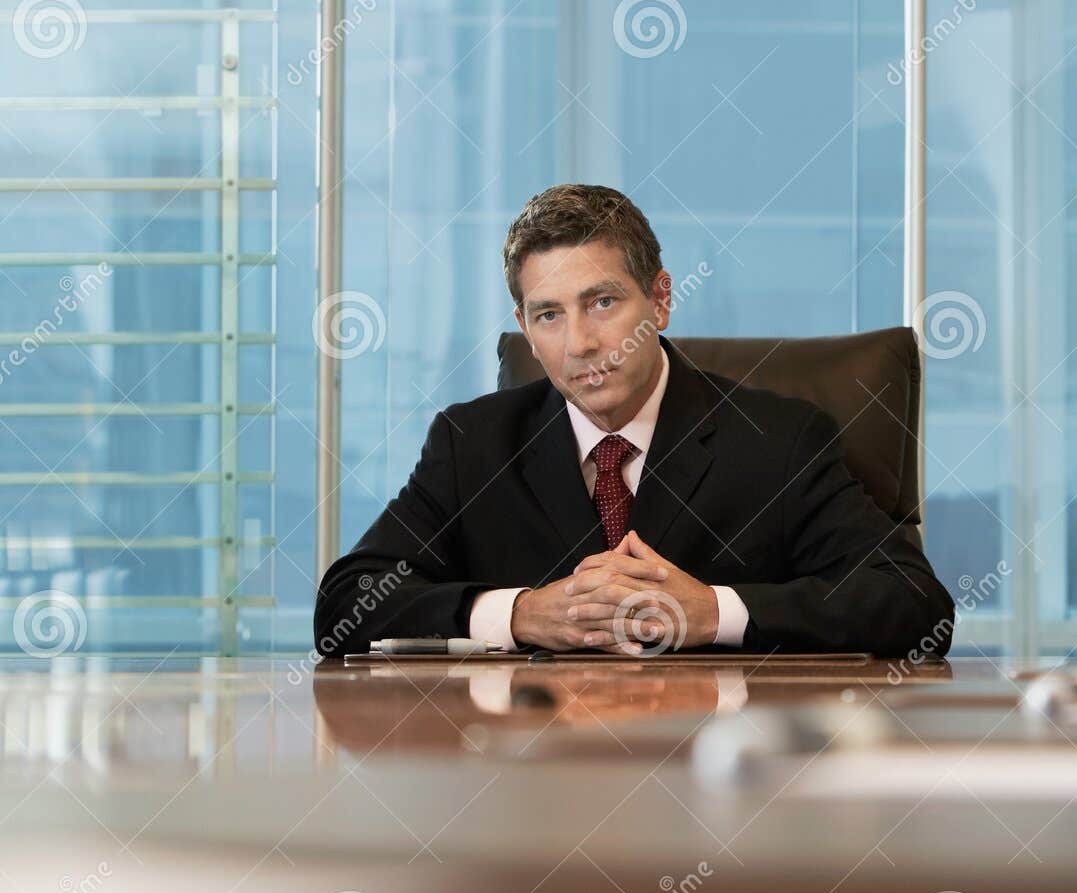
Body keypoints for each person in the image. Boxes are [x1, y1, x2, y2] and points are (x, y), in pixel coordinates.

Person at [313, 184, 955, 658]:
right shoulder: (471, 443)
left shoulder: (777, 438)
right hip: (532, 779)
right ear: (525, 332)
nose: (581, 343)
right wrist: (520, 614)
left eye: (602, 302)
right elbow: (344, 604)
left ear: (661, 300)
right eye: (549, 315)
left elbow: (915, 603)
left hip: (723, 783)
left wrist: (714, 611)